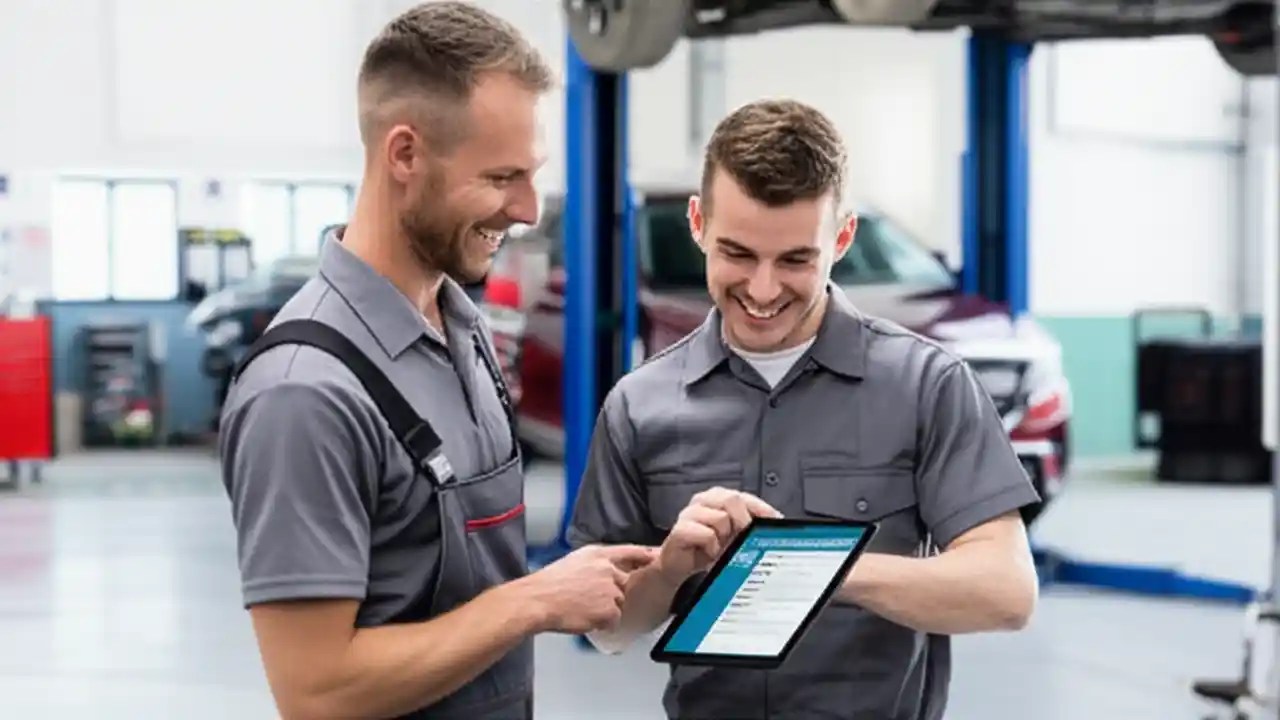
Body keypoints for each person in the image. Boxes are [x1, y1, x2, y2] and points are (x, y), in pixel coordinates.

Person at [218, 4, 655, 719]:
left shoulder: (466, 331)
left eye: (531, 174)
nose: (527, 209)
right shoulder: (304, 393)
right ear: (404, 155)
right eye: (500, 177)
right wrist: (535, 599)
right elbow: (317, 691)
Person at [567, 99, 1041, 719]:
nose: (763, 290)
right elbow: (608, 629)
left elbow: (1006, 592)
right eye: (737, 254)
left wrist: (805, 569)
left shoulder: (928, 385)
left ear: (841, 237)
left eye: (795, 260)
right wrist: (667, 568)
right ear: (698, 223)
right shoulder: (639, 404)